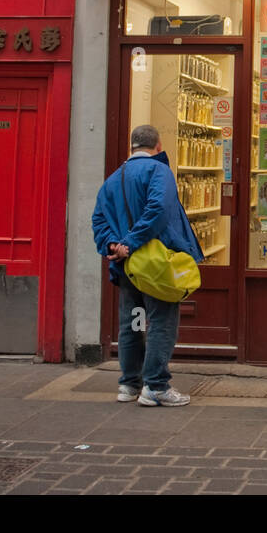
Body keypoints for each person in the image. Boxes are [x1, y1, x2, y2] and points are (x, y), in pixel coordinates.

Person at [92, 125, 203, 407]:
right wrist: (130, 242)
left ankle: (130, 384)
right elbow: (158, 209)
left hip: (127, 268)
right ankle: (155, 386)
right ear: (158, 146)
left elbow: (99, 220)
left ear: (131, 146)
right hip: (155, 266)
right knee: (161, 322)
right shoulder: (158, 171)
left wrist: (114, 246)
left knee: (133, 323)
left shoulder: (113, 178)